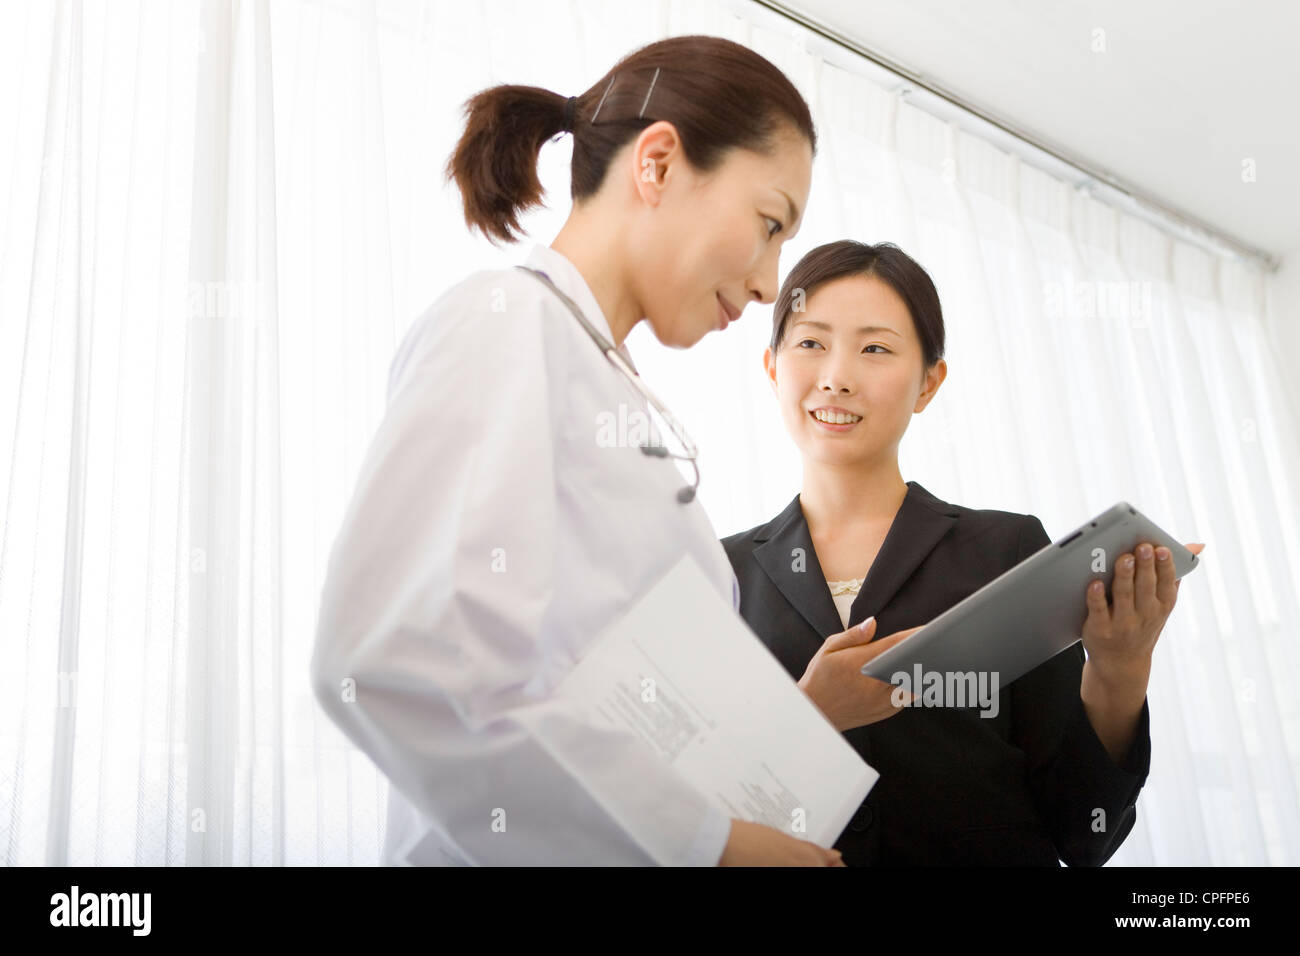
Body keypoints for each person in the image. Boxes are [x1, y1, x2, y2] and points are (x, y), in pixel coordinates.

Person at [309, 36, 914, 866]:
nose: (775, 281)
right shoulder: (506, 324)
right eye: (770, 223)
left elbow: (604, 714)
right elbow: (408, 667)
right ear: (658, 163)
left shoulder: (594, 374)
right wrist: (716, 845)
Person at [721, 240, 1206, 865]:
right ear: (771, 367)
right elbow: (683, 816)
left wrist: (1121, 668)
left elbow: (1083, 834)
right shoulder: (717, 576)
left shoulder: (1007, 553)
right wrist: (810, 715)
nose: (836, 376)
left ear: (929, 383)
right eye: (811, 342)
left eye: (874, 348)